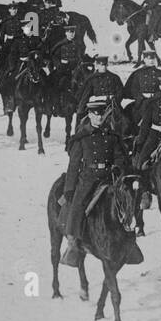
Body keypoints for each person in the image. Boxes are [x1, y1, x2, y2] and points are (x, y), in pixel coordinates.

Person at [60, 96, 130, 266]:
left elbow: (120, 156)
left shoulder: (112, 136)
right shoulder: (82, 137)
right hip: (88, 178)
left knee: (126, 201)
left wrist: (117, 167)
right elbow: (73, 165)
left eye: (102, 115)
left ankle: (130, 241)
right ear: (89, 115)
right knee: (77, 204)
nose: (99, 118)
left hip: (108, 178)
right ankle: (73, 244)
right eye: (95, 114)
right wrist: (69, 188)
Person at [75, 55, 125, 121]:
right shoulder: (91, 79)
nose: (103, 67)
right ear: (97, 65)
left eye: (105, 65)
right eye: (101, 65)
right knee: (81, 118)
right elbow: (85, 94)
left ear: (107, 65)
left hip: (111, 104)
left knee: (124, 121)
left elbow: (120, 92)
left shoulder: (114, 78)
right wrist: (82, 106)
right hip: (94, 105)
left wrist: (114, 99)